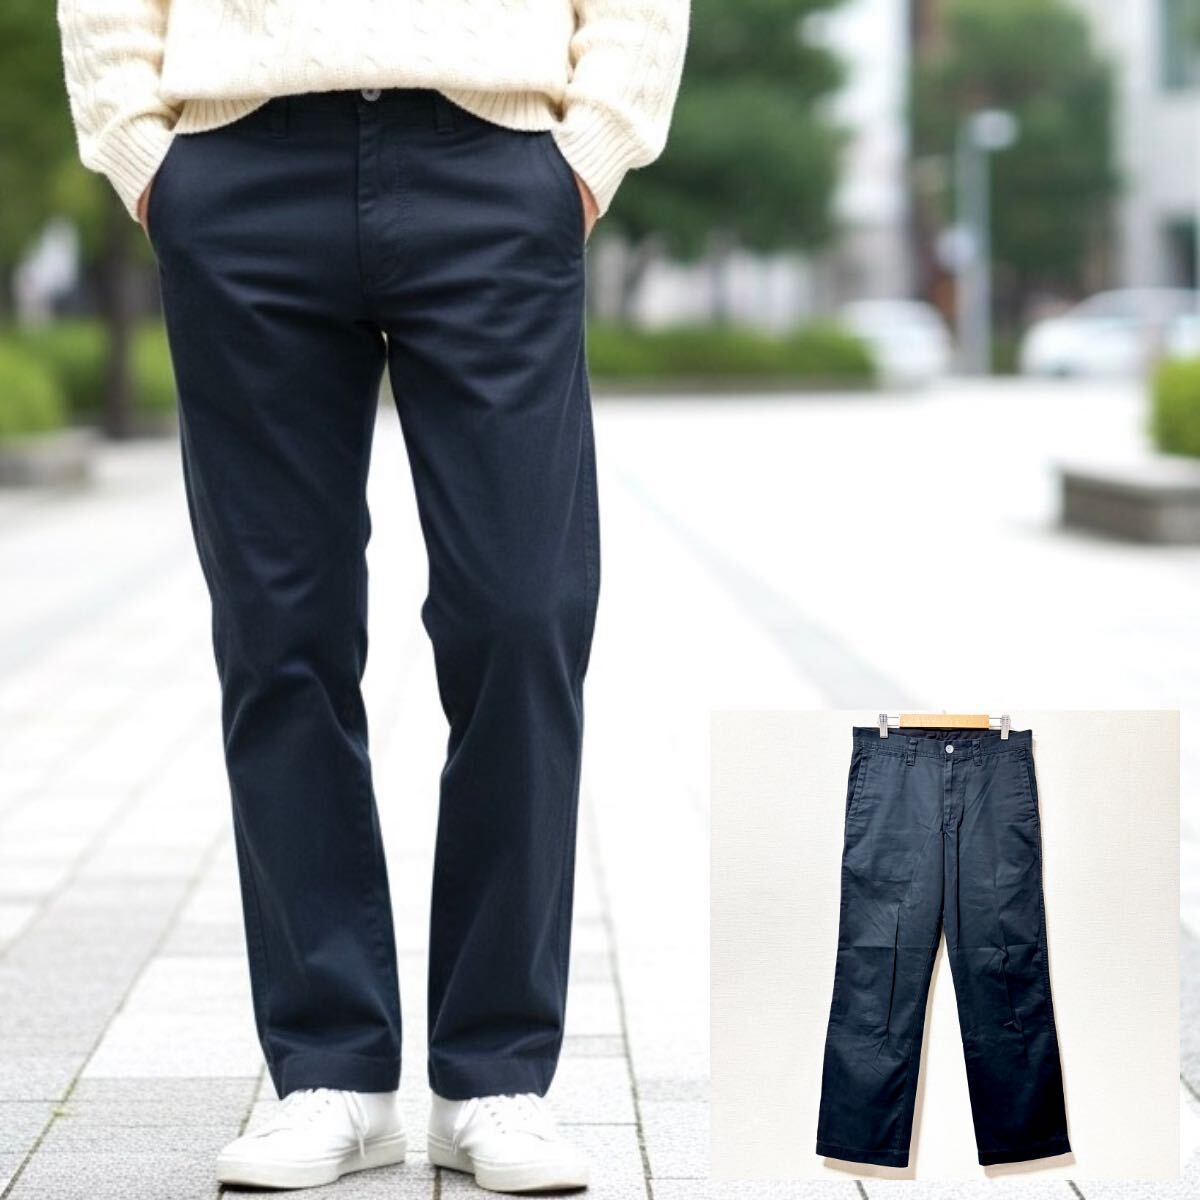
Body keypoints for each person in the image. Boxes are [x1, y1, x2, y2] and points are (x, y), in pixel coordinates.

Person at [56, 1, 689, 1192]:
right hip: (236, 161)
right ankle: (329, 1072)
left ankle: (495, 1072)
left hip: (494, 159)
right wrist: (145, 154)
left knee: (523, 610)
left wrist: (591, 145)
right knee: (278, 629)